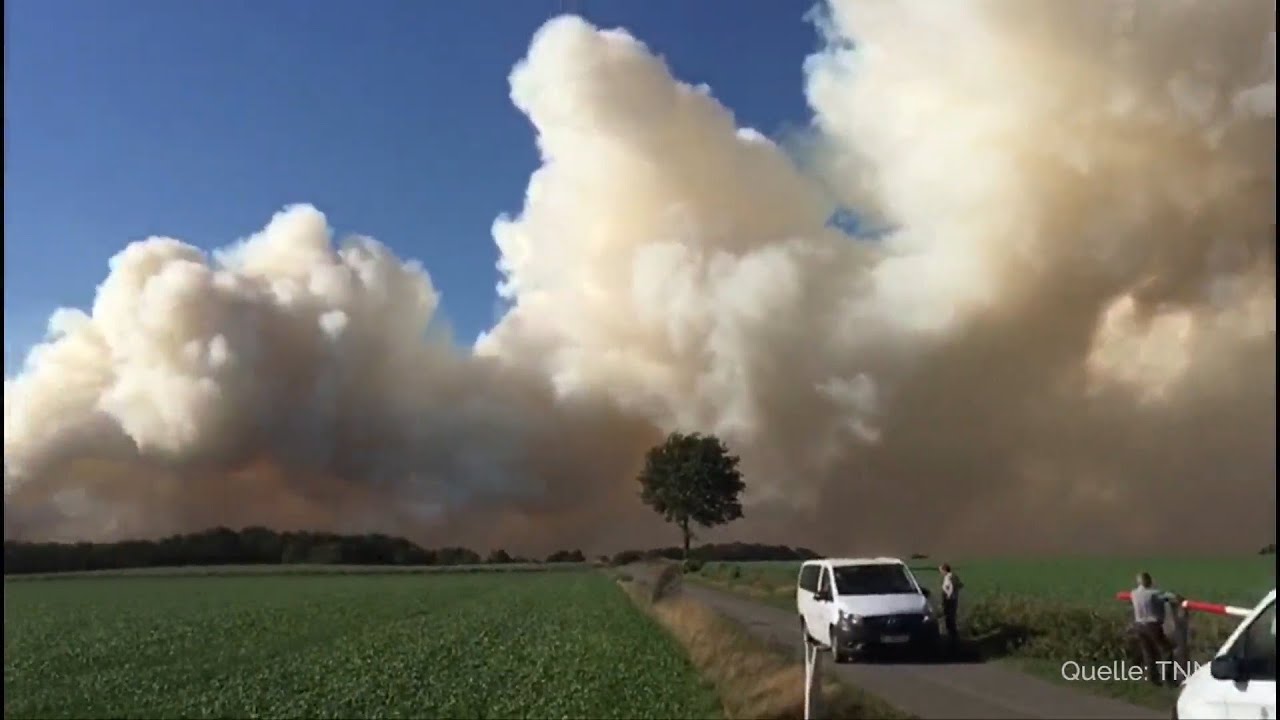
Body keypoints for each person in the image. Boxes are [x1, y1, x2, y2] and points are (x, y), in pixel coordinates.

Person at [1130, 572, 1176, 685]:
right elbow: (1171, 597)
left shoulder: (1133, 593)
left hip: (1139, 625)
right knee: (1167, 651)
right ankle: (1168, 677)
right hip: (1152, 625)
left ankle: (1153, 679)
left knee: (1148, 652)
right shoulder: (1154, 593)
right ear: (1149, 581)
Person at [939, 563, 963, 649]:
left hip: (949, 600)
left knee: (949, 617)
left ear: (945, 570)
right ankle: (953, 636)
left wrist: (949, 594)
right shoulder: (954, 576)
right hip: (954, 599)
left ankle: (952, 637)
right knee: (951, 617)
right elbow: (960, 585)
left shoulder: (949, 577)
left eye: (941, 570)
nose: (941, 572)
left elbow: (951, 586)